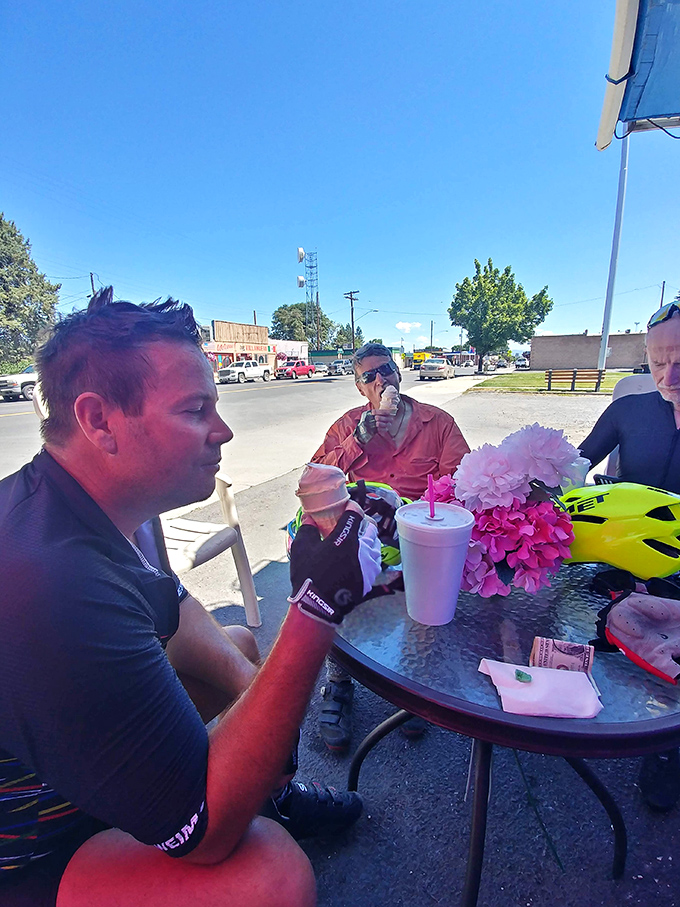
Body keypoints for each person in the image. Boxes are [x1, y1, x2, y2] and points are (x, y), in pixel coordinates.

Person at [0, 288, 382, 907]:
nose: (223, 429)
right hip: (33, 847)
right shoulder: (49, 581)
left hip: (70, 765)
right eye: (195, 409)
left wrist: (260, 722)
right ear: (99, 421)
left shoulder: (110, 500)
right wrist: (316, 604)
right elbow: (204, 833)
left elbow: (171, 608)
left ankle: (271, 796)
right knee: (271, 879)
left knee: (235, 647)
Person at [310, 342, 471, 751]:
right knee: (326, 562)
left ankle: (414, 677)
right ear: (360, 387)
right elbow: (315, 480)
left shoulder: (437, 423)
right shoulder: (347, 425)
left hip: (420, 534)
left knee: (426, 591)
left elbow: (463, 482)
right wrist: (357, 441)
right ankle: (340, 679)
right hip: (362, 534)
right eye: (369, 376)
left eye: (386, 370)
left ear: (399, 372)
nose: (381, 380)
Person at [579, 300, 680, 812]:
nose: (670, 374)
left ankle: (667, 745)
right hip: (623, 560)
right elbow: (573, 465)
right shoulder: (630, 409)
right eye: (659, 360)